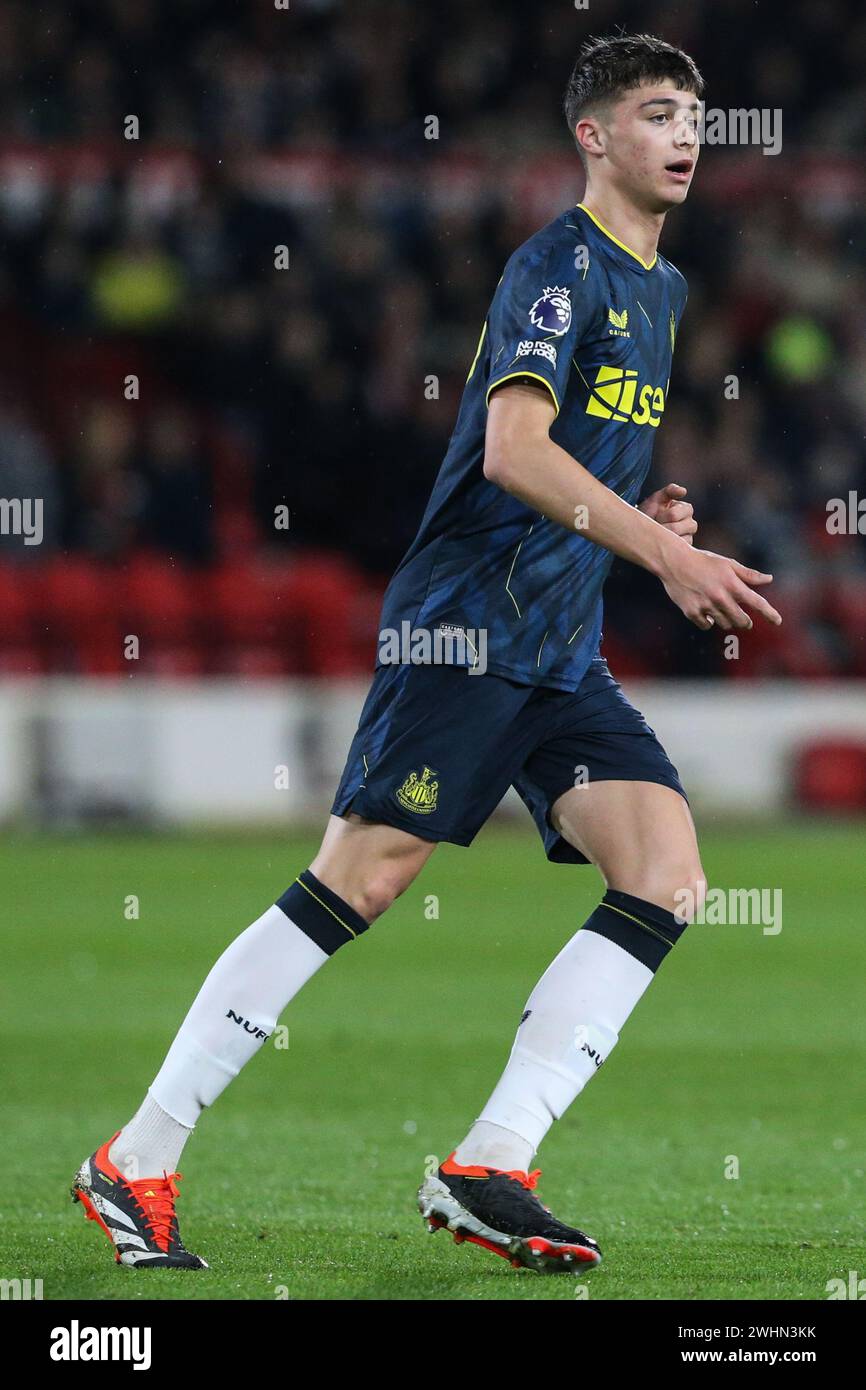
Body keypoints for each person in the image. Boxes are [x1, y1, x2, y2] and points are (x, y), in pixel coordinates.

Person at [71, 32, 781, 1274]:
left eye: (697, 118)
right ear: (594, 136)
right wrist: (663, 560)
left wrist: (646, 520)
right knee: (362, 874)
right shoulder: (554, 268)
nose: (684, 137)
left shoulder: (661, 289)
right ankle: (139, 1152)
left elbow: (576, 464)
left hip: (560, 639)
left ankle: (490, 1161)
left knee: (664, 868)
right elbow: (511, 452)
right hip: (471, 621)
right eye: (658, 113)